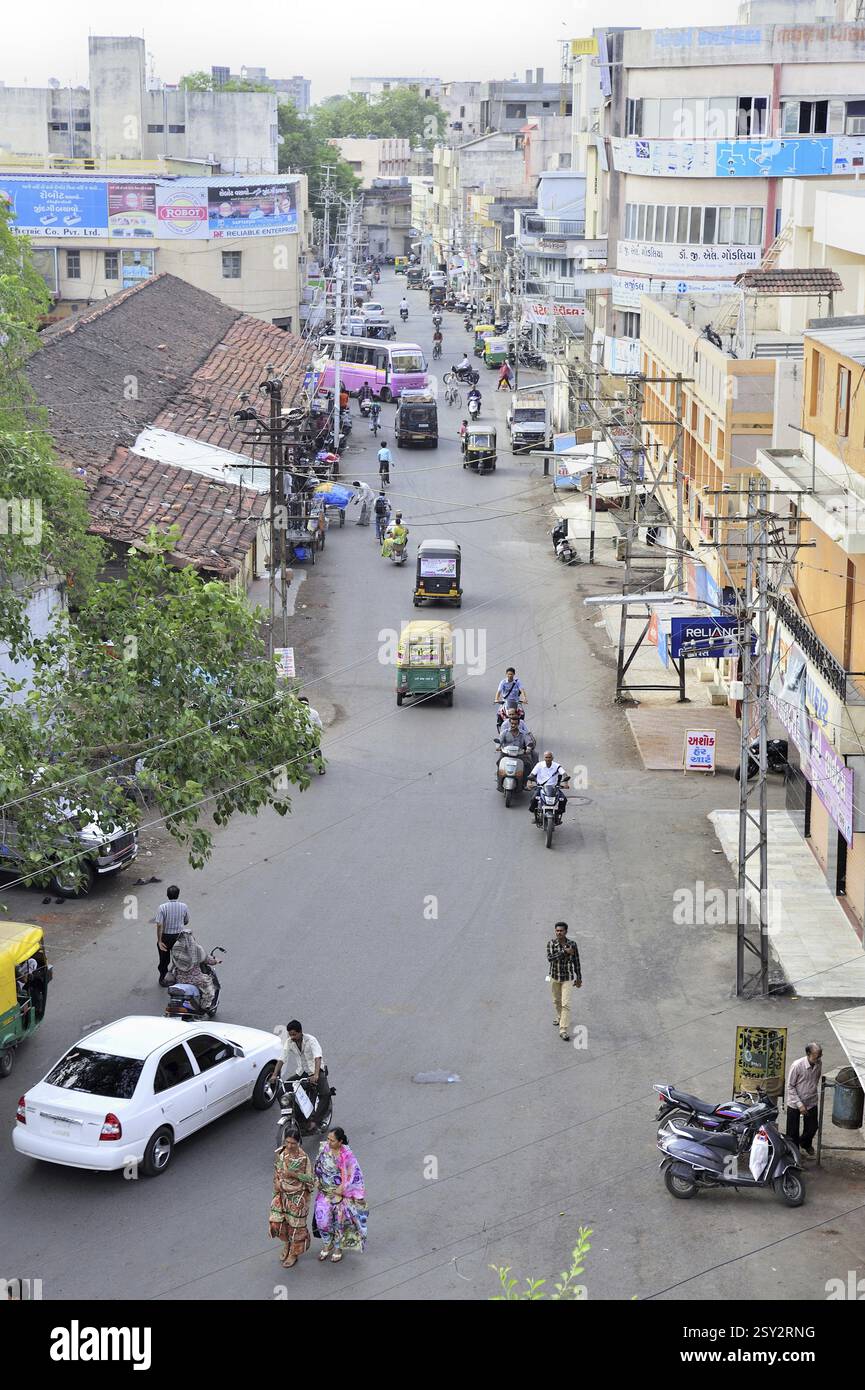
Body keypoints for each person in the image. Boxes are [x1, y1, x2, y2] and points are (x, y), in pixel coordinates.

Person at [314, 1127, 368, 1263]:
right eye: (328, 1139)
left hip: (339, 1195)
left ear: (340, 1141)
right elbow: (317, 1165)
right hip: (324, 1192)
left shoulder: (348, 1156)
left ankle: (338, 1248)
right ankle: (327, 1243)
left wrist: (340, 1189)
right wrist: (317, 1180)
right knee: (322, 1221)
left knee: (339, 1223)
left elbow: (354, 1176)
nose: (328, 1142)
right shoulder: (324, 1149)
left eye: (332, 1140)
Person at [276, 1020, 331, 1132]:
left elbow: (317, 1057)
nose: (292, 1037)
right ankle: (298, 1119)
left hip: (316, 1070)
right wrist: (273, 1075)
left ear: (301, 1032)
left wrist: (316, 1074)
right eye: (290, 1034)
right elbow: (282, 1058)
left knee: (325, 1094)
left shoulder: (311, 1040)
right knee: (281, 1092)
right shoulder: (289, 1042)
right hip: (302, 1072)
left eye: (294, 1034)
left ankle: (315, 1121)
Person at [269, 1133, 315, 1269]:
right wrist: (277, 1184)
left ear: (299, 1143)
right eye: (287, 1142)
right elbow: (277, 1170)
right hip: (281, 1193)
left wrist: (293, 1175)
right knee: (277, 1222)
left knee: (296, 1227)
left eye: (293, 1143)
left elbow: (310, 1179)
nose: (289, 1145)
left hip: (298, 1196)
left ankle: (294, 1253)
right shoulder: (281, 1153)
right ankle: (287, 1243)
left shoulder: (303, 1158)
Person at [164, 930, 218, 1012]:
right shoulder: (195, 948)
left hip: (179, 979)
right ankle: (204, 1007)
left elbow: (174, 962)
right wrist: (216, 961)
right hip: (196, 979)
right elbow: (207, 959)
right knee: (210, 990)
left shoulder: (176, 948)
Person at [546, 921, 582, 1042]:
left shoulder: (573, 944)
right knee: (556, 1000)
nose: (559, 933)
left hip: (567, 977)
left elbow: (577, 961)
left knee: (565, 1003)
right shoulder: (551, 943)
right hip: (554, 977)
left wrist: (579, 977)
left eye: (561, 931)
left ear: (566, 931)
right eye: (557, 931)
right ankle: (560, 1016)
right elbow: (550, 958)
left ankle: (563, 1030)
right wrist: (564, 952)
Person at [785, 1042, 823, 1156]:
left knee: (812, 1127)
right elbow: (790, 1086)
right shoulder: (797, 1065)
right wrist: (799, 1104)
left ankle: (805, 1143)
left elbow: (816, 1079)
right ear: (808, 1053)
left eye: (820, 1054)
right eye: (816, 1054)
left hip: (811, 1101)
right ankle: (793, 1153)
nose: (819, 1057)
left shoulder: (818, 1063)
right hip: (795, 1102)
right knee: (792, 1131)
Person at [156, 885, 190, 986]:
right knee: (179, 958)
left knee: (164, 959)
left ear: (167, 895)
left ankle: (163, 978)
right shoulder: (184, 906)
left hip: (165, 937)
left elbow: (159, 924)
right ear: (178, 895)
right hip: (179, 938)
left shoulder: (162, 907)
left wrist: (159, 941)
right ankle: (179, 978)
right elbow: (186, 920)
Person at [527, 750, 570, 823]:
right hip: (541, 787)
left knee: (563, 799)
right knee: (534, 799)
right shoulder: (539, 765)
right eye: (546, 757)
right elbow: (532, 775)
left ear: (552, 758)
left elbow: (564, 774)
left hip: (554, 788)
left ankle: (558, 814)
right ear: (544, 758)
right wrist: (529, 783)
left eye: (549, 757)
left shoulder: (557, 766)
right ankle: (536, 815)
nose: (548, 759)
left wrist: (566, 783)